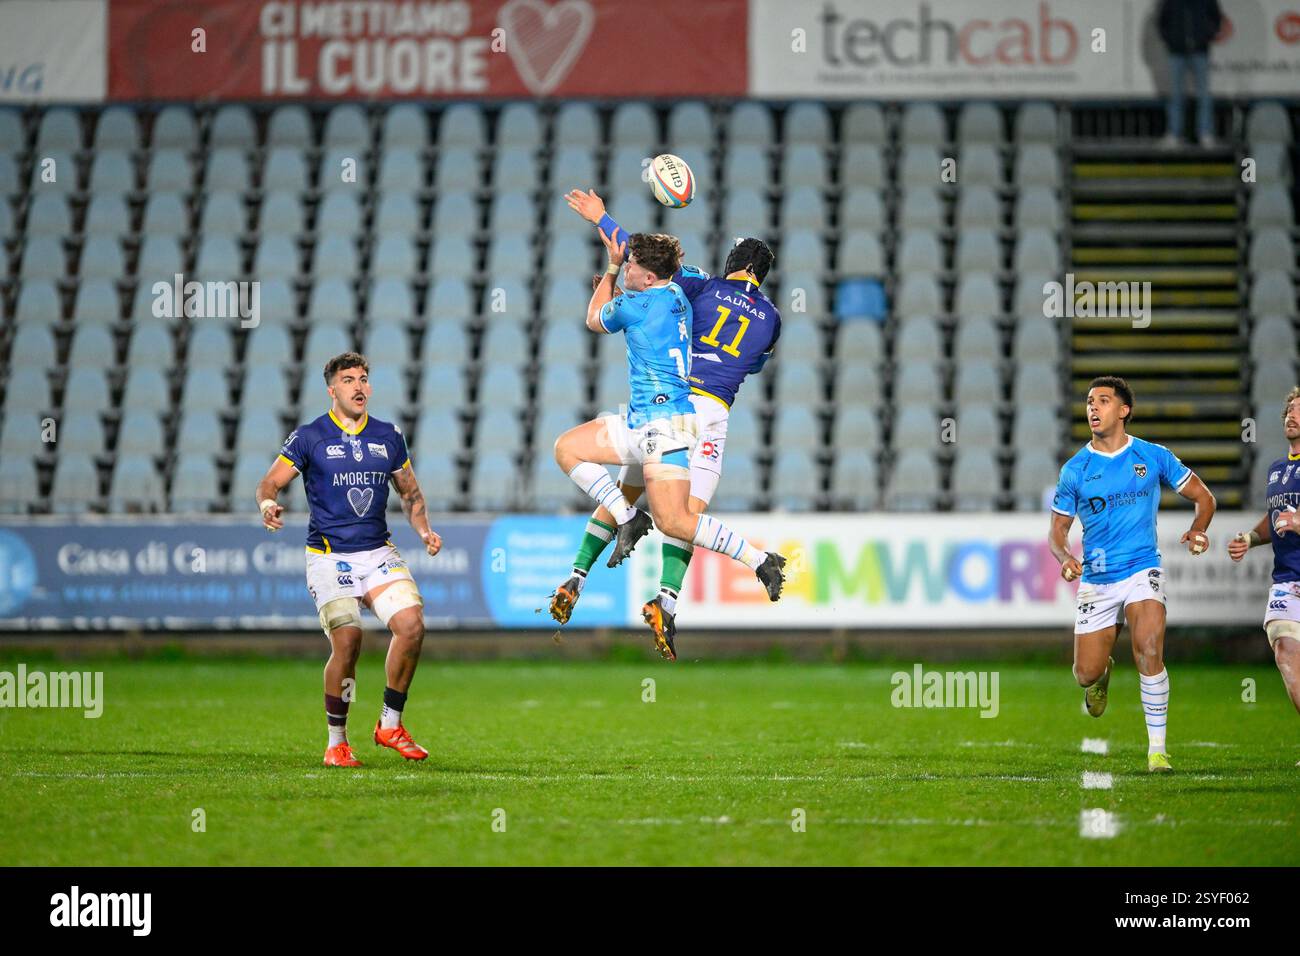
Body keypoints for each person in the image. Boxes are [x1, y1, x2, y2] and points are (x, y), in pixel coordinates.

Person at [549, 188, 782, 658]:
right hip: (710, 412)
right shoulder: (772, 319)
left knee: (628, 492)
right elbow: (754, 365)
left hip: (672, 402)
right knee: (684, 514)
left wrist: (602, 218)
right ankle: (667, 602)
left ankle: (577, 575)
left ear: (734, 262)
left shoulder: (699, 285)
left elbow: (645, 262)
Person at [256, 352, 443, 767]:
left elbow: (410, 494)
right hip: (329, 556)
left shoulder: (388, 436)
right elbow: (270, 480)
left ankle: (390, 724)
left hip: (376, 552)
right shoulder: (309, 437)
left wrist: (424, 531)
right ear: (332, 390)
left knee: (411, 626)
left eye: (363, 379)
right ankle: (336, 741)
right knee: (349, 639)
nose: (358, 386)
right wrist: (268, 502)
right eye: (348, 380)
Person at [1048, 376, 1217, 772]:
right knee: (1084, 673)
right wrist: (1065, 557)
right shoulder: (1076, 469)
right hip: (1098, 579)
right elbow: (1057, 531)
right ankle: (1102, 675)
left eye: (1103, 401)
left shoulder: (1152, 456)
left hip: (1143, 568)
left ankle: (1157, 751)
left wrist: (1198, 530)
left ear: (1123, 410)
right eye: (1090, 401)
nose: (1093, 408)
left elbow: (1204, 498)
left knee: (1149, 648)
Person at [1227, 387, 1300, 739]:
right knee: (1285, 651)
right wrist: (1250, 538)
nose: (1292, 414)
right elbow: (1275, 517)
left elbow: (1293, 519)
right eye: (1289, 409)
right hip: (1287, 581)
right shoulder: (1276, 470)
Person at [1157, 0, 1223, 148]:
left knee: (1203, 94)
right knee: (1175, 94)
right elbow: (1162, 21)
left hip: (1200, 51)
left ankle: (1205, 133)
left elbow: (1216, 18)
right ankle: (1174, 134)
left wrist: (1206, 36)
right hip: (1177, 52)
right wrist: (1171, 40)